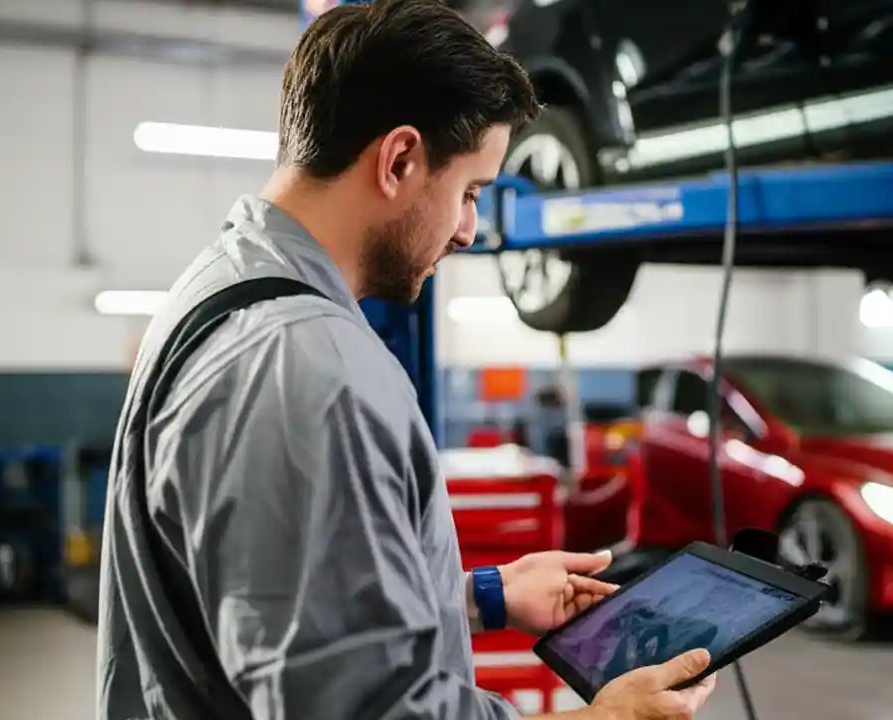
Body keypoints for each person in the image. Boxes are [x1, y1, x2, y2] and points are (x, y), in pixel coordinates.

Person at [95, 1, 718, 718]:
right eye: (469, 192)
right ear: (398, 161)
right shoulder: (309, 370)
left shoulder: (222, 285)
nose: (467, 230)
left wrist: (482, 597)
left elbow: (284, 609)